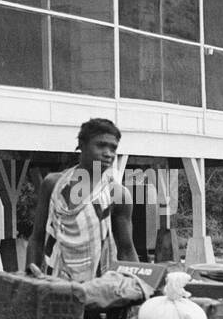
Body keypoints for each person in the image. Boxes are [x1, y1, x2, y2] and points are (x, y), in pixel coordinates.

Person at [26, 118, 139, 280]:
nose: (108, 153)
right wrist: (30, 277)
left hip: (98, 289)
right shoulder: (53, 184)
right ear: (82, 145)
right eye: (101, 145)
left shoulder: (117, 194)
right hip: (54, 284)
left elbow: (126, 249)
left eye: (113, 148)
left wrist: (138, 288)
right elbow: (37, 238)